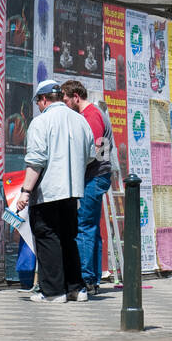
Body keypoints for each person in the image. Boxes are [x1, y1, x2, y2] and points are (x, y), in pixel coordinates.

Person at [14, 79, 94, 302]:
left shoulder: (41, 122)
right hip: (73, 190)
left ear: (43, 99)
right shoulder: (80, 121)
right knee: (69, 238)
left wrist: (25, 191)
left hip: (47, 191)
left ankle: (53, 291)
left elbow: (36, 161)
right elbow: (90, 156)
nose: (38, 106)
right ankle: (76, 288)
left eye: (38, 101)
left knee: (47, 236)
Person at [61, 79, 115, 295]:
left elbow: (94, 150)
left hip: (95, 175)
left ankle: (85, 280)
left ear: (76, 97)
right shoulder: (90, 114)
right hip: (97, 175)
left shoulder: (90, 115)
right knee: (91, 227)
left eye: (65, 100)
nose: (64, 104)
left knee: (84, 225)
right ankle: (92, 279)